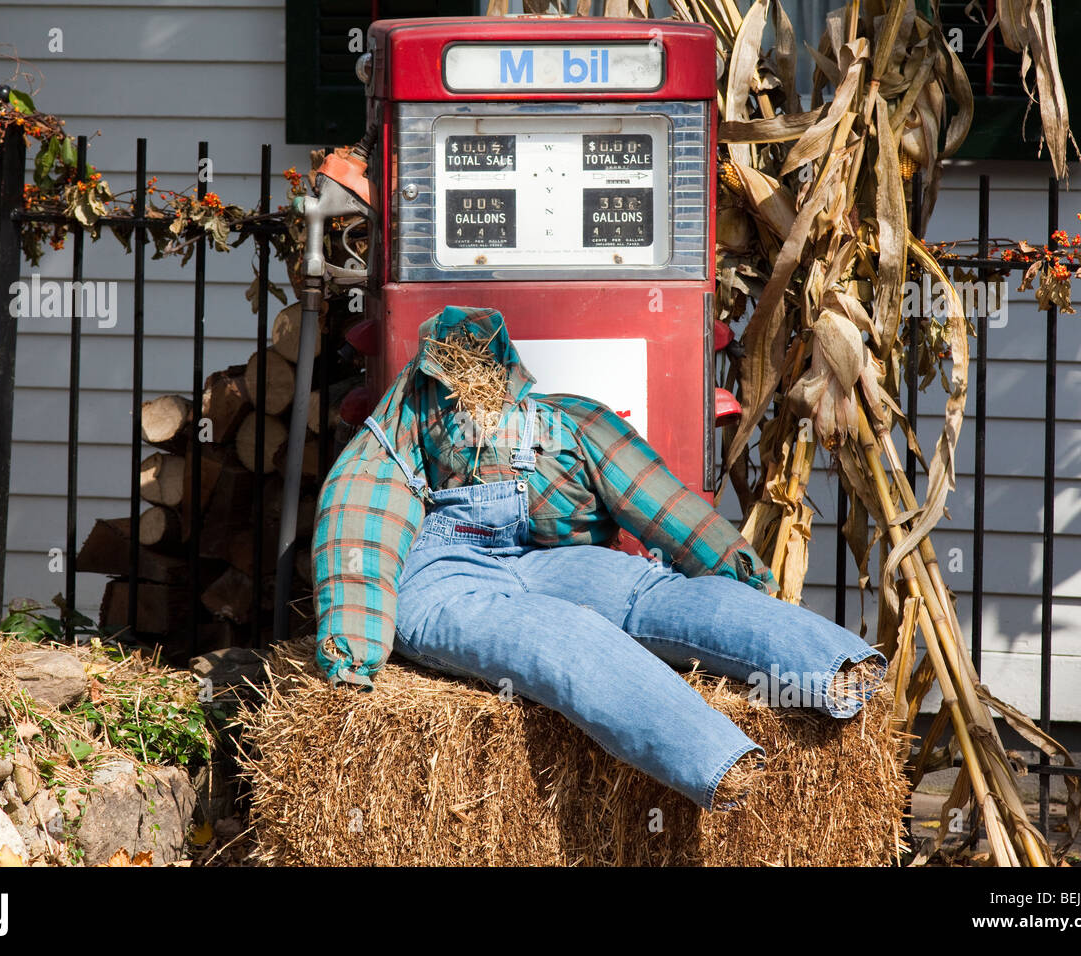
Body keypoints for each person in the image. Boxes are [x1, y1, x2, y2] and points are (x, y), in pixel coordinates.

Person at [312, 305, 886, 811]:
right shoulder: (392, 439)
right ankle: (717, 760)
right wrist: (353, 653)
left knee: (654, 595)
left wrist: (738, 571)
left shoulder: (563, 422)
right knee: (561, 635)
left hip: (545, 560)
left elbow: (662, 506)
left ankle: (835, 667)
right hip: (442, 574)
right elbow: (360, 525)